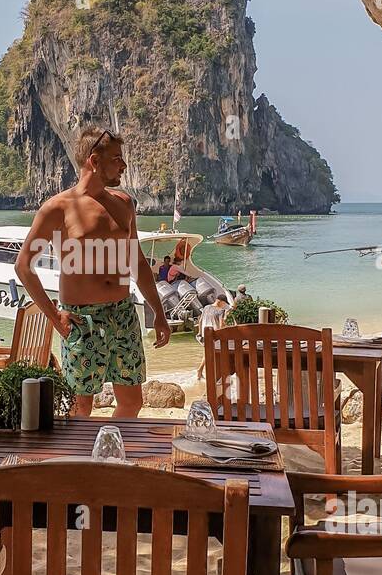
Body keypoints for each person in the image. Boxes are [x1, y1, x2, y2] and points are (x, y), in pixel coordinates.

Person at [15, 125, 170, 419]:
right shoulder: (57, 209)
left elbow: (137, 263)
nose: (123, 165)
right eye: (116, 158)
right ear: (94, 161)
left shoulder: (124, 204)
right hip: (81, 318)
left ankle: (110, 456)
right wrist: (54, 314)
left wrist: (159, 314)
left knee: (132, 401)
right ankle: (81, 462)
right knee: (81, 406)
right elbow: (24, 266)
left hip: (123, 313)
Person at [196, 293, 230, 380]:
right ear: (220, 301)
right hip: (214, 335)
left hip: (204, 334)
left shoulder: (206, 307)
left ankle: (201, 372)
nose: (224, 305)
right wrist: (226, 317)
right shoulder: (221, 311)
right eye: (224, 303)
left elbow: (200, 321)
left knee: (208, 354)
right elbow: (221, 325)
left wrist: (199, 333)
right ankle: (212, 374)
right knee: (212, 355)